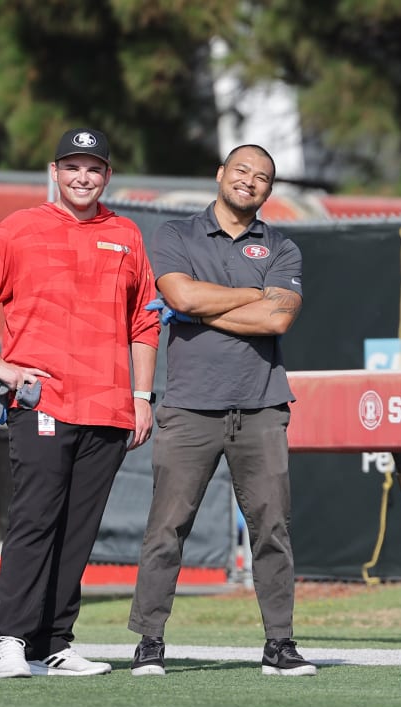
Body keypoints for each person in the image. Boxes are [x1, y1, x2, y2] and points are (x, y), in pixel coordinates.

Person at [0, 127, 160, 678]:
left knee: (78, 530)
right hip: (43, 402)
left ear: (107, 175)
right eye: (72, 167)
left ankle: (54, 644)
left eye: (93, 168)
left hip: (109, 407)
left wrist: (141, 397)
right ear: (54, 172)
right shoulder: (21, 228)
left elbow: (145, 321)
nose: (82, 177)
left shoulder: (127, 234)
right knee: (35, 520)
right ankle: (12, 640)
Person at [127, 144, 315, 677]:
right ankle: (149, 641)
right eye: (241, 170)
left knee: (272, 530)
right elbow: (180, 296)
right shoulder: (176, 234)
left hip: (262, 406)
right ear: (220, 174)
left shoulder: (282, 247)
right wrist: (251, 295)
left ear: (269, 190)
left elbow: (277, 320)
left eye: (262, 177)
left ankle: (279, 645)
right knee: (167, 528)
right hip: (190, 406)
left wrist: (200, 309)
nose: (249, 181)